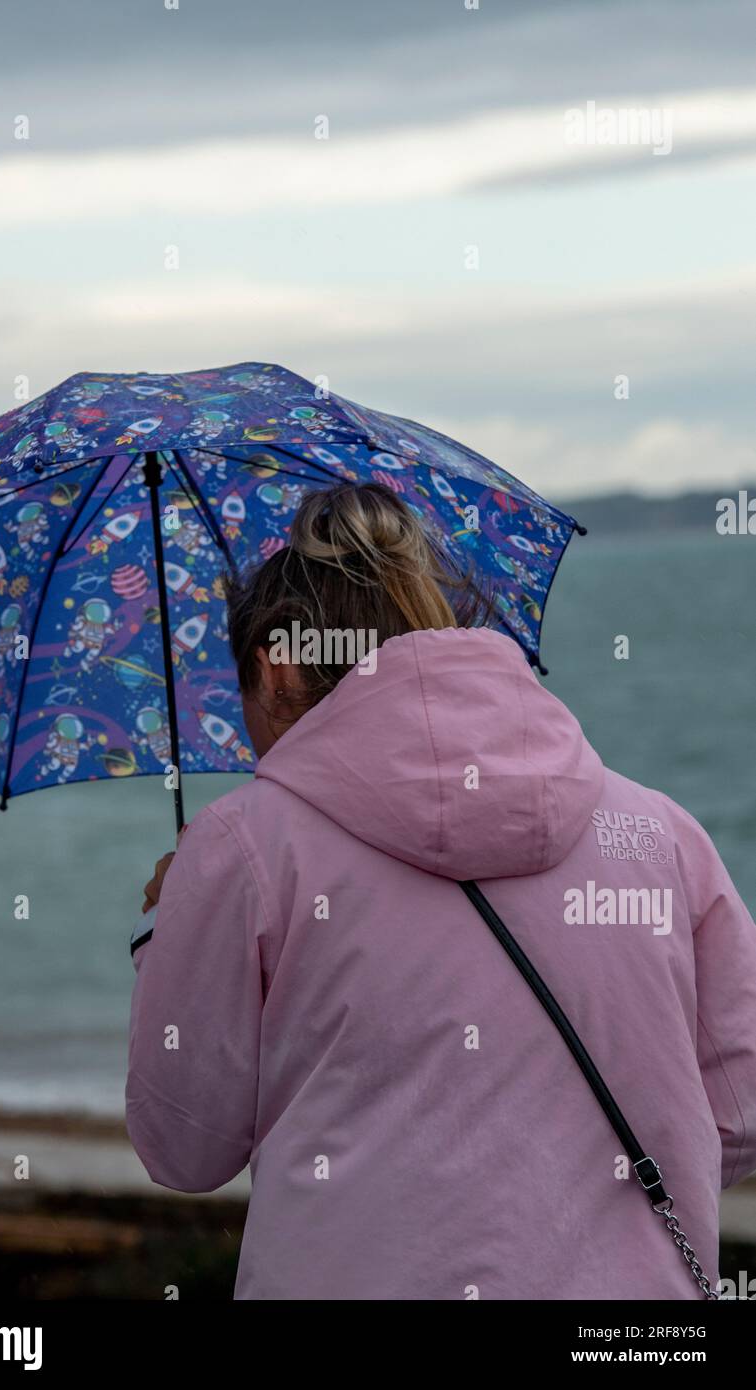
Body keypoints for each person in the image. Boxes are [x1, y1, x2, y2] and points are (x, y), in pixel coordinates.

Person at [126, 482, 756, 1301]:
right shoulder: (660, 833)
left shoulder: (242, 846)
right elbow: (737, 1114)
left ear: (274, 669)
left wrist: (168, 930)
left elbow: (184, 1145)